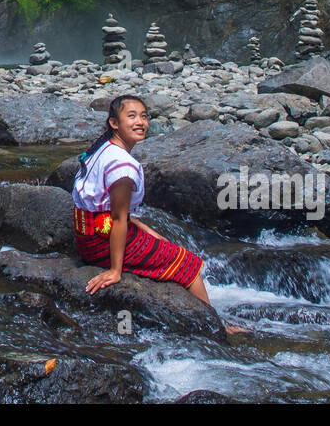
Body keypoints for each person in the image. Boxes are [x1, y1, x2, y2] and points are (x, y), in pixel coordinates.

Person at [72, 93, 246, 333]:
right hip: (100, 242)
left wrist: (145, 229)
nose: (140, 122)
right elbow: (118, 218)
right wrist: (115, 270)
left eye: (144, 117)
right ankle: (214, 326)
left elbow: (111, 209)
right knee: (189, 263)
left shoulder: (103, 149)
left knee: (159, 239)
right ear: (114, 123)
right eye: (131, 116)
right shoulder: (122, 165)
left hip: (88, 235)